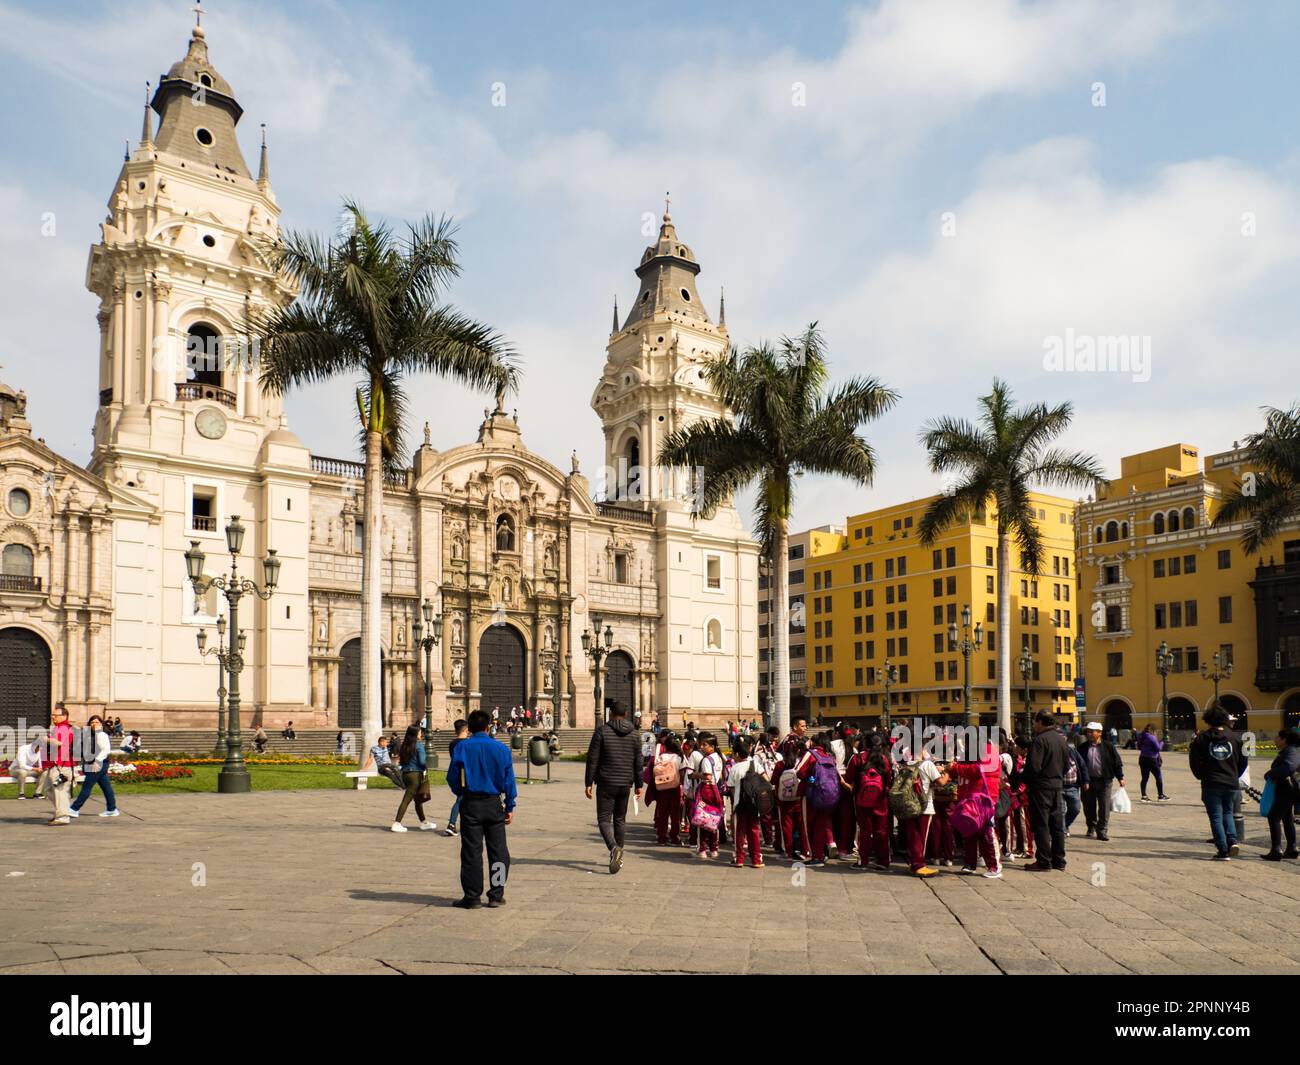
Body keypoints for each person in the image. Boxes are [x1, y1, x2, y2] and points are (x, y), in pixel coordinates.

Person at [447, 709, 517, 908]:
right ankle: (496, 894)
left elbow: (452, 776)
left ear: (469, 728)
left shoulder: (462, 747)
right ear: (488, 727)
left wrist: (460, 792)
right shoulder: (501, 749)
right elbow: (509, 780)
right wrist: (510, 805)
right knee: (499, 852)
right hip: (494, 803)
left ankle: (472, 897)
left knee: (471, 852)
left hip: (471, 803)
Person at [584, 703, 644, 874]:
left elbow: (592, 759)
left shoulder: (601, 731)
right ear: (626, 714)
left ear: (610, 714)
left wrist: (588, 782)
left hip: (606, 783)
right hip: (625, 783)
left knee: (604, 819)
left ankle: (613, 848)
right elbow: (639, 762)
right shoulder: (634, 734)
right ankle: (619, 854)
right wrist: (639, 785)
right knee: (620, 819)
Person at [1188, 706, 1247, 860]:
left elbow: (1194, 761)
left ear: (1207, 720)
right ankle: (1232, 841)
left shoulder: (1201, 739)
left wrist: (1201, 775)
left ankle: (1222, 850)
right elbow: (1244, 761)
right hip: (1231, 782)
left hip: (1211, 782)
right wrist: (1235, 774)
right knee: (1228, 813)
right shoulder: (1235, 738)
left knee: (1215, 816)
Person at [1023, 710, 1069, 871]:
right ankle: (1059, 860)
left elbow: (1033, 768)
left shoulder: (1039, 740)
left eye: (1035, 722)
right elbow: (1067, 766)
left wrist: (1023, 780)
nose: (1034, 725)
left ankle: (1043, 861)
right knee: (1057, 826)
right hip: (1057, 786)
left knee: (1041, 824)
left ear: (1041, 722)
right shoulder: (1061, 740)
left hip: (1041, 788)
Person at [949, 741, 1002, 878]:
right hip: (969, 796)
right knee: (969, 831)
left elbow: (979, 769)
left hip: (984, 798)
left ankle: (994, 866)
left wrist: (957, 768)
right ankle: (970, 863)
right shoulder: (972, 752)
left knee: (986, 832)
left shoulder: (989, 751)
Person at [846, 732, 892, 870]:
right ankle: (883, 861)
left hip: (862, 799)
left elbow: (849, 777)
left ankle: (863, 861)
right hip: (881, 799)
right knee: (881, 830)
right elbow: (889, 779)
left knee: (864, 830)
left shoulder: (857, 758)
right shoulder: (884, 759)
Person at [1079, 721, 1125, 841]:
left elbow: (1117, 763)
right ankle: (1091, 827)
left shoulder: (1108, 746)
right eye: (1088, 732)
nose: (1089, 734)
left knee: (1104, 807)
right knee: (1088, 806)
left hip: (1105, 781)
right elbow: (1078, 765)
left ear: (1099, 733)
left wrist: (1120, 777)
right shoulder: (1082, 748)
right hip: (1088, 782)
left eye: (1091, 732)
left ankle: (1102, 830)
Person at [69, 715, 120, 819]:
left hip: (97, 764)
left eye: (96, 722)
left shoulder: (101, 735)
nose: (94, 724)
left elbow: (106, 750)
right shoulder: (90, 735)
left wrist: (97, 761)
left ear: (101, 724)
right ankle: (112, 809)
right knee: (106, 787)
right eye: (92, 722)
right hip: (96, 763)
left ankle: (74, 808)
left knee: (87, 787)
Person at [1262, 728, 1300, 861]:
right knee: (1287, 818)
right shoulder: (1289, 751)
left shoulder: (1291, 751)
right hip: (1288, 790)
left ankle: (1276, 849)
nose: (1275, 739)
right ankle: (1292, 848)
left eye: (1278, 737)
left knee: (1273, 817)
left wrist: (1271, 773)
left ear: (1284, 740)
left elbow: (1288, 767)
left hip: (1287, 790)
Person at [728, 736, 765, 868]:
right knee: (754, 831)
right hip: (754, 804)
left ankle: (739, 859)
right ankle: (756, 860)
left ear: (737, 754)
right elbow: (765, 779)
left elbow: (731, 788)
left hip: (740, 805)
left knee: (740, 832)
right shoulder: (755, 765)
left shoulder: (734, 768)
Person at [390, 725, 436, 833]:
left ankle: (424, 822)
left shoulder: (404, 745)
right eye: (420, 732)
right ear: (416, 734)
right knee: (407, 799)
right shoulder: (419, 746)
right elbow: (422, 762)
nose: (421, 734)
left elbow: (401, 761)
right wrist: (426, 766)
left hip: (406, 773)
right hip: (415, 774)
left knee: (418, 799)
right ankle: (397, 823)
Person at [690, 733, 726, 859]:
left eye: (704, 745)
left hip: (706, 790)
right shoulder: (719, 757)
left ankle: (703, 849)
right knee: (713, 819)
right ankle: (714, 848)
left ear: (712, 746)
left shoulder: (706, 759)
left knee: (702, 818)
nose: (701, 747)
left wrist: (696, 775)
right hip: (716, 790)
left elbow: (708, 776)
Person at [43, 705, 76, 826]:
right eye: (52, 715)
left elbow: (60, 743)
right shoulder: (59, 728)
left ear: (64, 716)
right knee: (50, 790)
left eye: (55, 715)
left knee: (59, 791)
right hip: (56, 764)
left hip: (61, 765)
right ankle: (62, 812)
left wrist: (47, 740)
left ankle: (63, 816)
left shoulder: (63, 728)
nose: (53, 717)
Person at [651, 732, 685, 845]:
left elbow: (655, 770)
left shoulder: (662, 756)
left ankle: (661, 837)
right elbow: (683, 774)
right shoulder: (679, 758)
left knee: (663, 813)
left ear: (666, 746)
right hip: (674, 787)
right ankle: (674, 837)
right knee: (675, 814)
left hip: (662, 788)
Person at [443, 719, 470, 837]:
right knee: (461, 799)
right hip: (465, 774)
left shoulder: (452, 743)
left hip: (455, 773)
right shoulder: (467, 744)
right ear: (467, 730)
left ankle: (463, 825)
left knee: (463, 800)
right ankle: (451, 824)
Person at [1136, 724, 1169, 802]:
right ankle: (1160, 795)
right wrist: (1161, 743)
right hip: (1152, 759)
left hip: (1143, 758)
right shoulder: (1152, 737)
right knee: (1158, 777)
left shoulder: (1141, 736)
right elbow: (1158, 748)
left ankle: (1144, 796)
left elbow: (1139, 747)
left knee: (1144, 778)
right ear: (1153, 730)